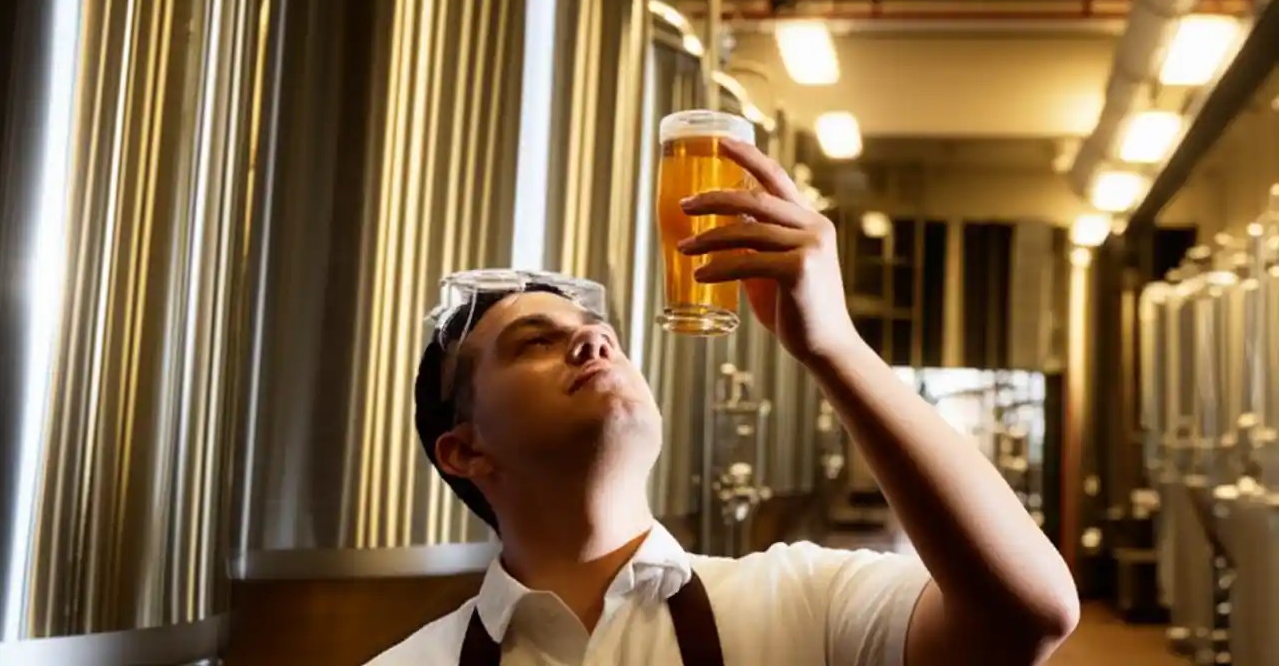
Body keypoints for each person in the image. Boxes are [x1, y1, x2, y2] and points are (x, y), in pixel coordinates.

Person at [369, 140, 1079, 665]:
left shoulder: (800, 600)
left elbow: (1029, 616)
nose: (592, 343)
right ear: (465, 450)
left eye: (599, 333)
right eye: (534, 343)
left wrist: (833, 346)